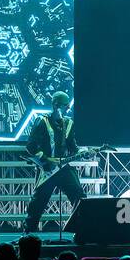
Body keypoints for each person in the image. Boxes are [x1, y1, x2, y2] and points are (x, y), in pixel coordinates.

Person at [22, 91, 85, 234]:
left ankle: (80, 231)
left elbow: (72, 148)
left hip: (63, 168)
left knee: (79, 196)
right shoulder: (42, 121)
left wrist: (84, 152)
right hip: (47, 168)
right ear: (55, 104)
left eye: (68, 106)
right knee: (38, 203)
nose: (67, 109)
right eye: (64, 105)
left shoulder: (69, 123)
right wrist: (46, 159)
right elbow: (30, 147)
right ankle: (28, 234)